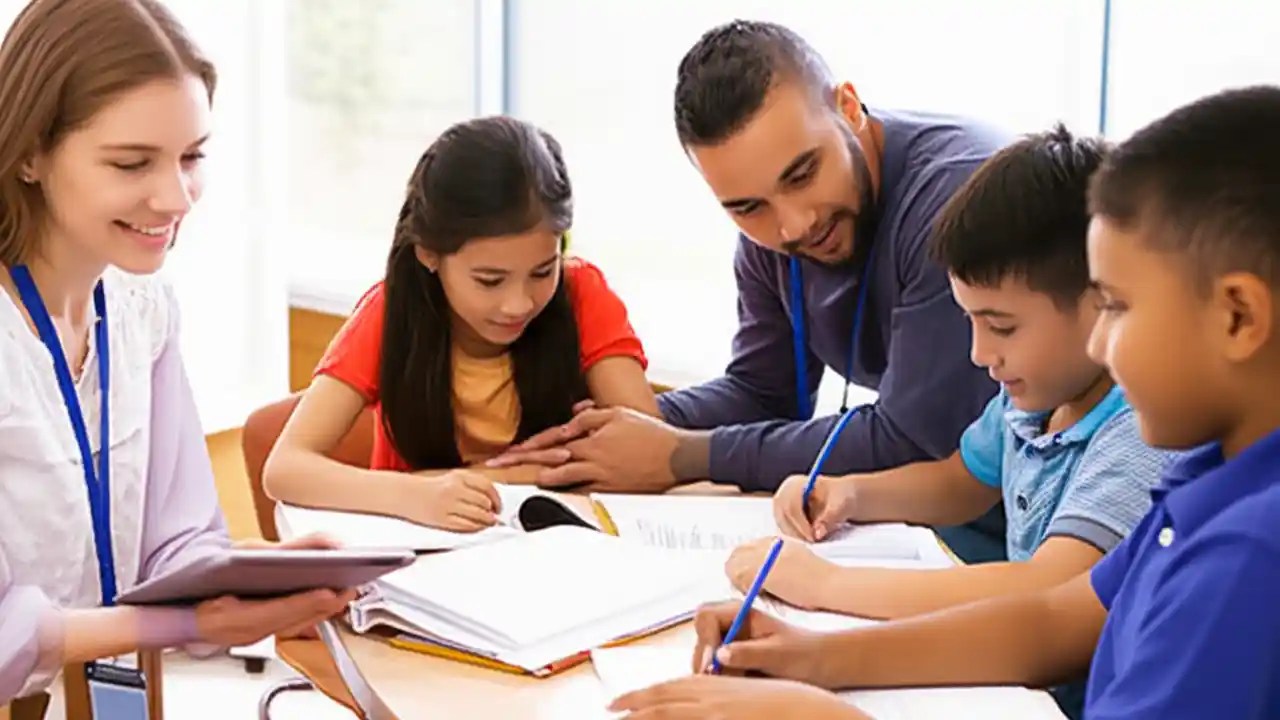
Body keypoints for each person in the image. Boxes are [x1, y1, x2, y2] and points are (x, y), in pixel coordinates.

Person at [608, 85, 1280, 720]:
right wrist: (811, 658)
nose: (1102, 341)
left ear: (1238, 316)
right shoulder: (1207, 477)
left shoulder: (1248, 555)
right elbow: (1056, 621)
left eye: (1118, 307)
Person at [492, 20, 1011, 562]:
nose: (791, 226)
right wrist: (612, 426)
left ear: (850, 108)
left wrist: (685, 456)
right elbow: (766, 394)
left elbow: (914, 440)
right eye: (747, 207)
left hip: (1025, 524)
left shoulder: (955, 199)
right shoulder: (772, 242)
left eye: (803, 174)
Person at [0, 0, 355, 705]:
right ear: (31, 152)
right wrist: (176, 618)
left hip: (102, 692)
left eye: (192, 157)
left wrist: (247, 574)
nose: (176, 197)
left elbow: (179, 540)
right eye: (132, 163)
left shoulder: (140, 312)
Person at [263, 116, 658, 533]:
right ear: (429, 254)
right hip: (420, 562)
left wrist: (490, 477)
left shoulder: (581, 293)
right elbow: (285, 468)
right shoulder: (391, 312)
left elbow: (650, 454)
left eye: (543, 271)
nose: (518, 304)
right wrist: (423, 492)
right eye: (489, 280)